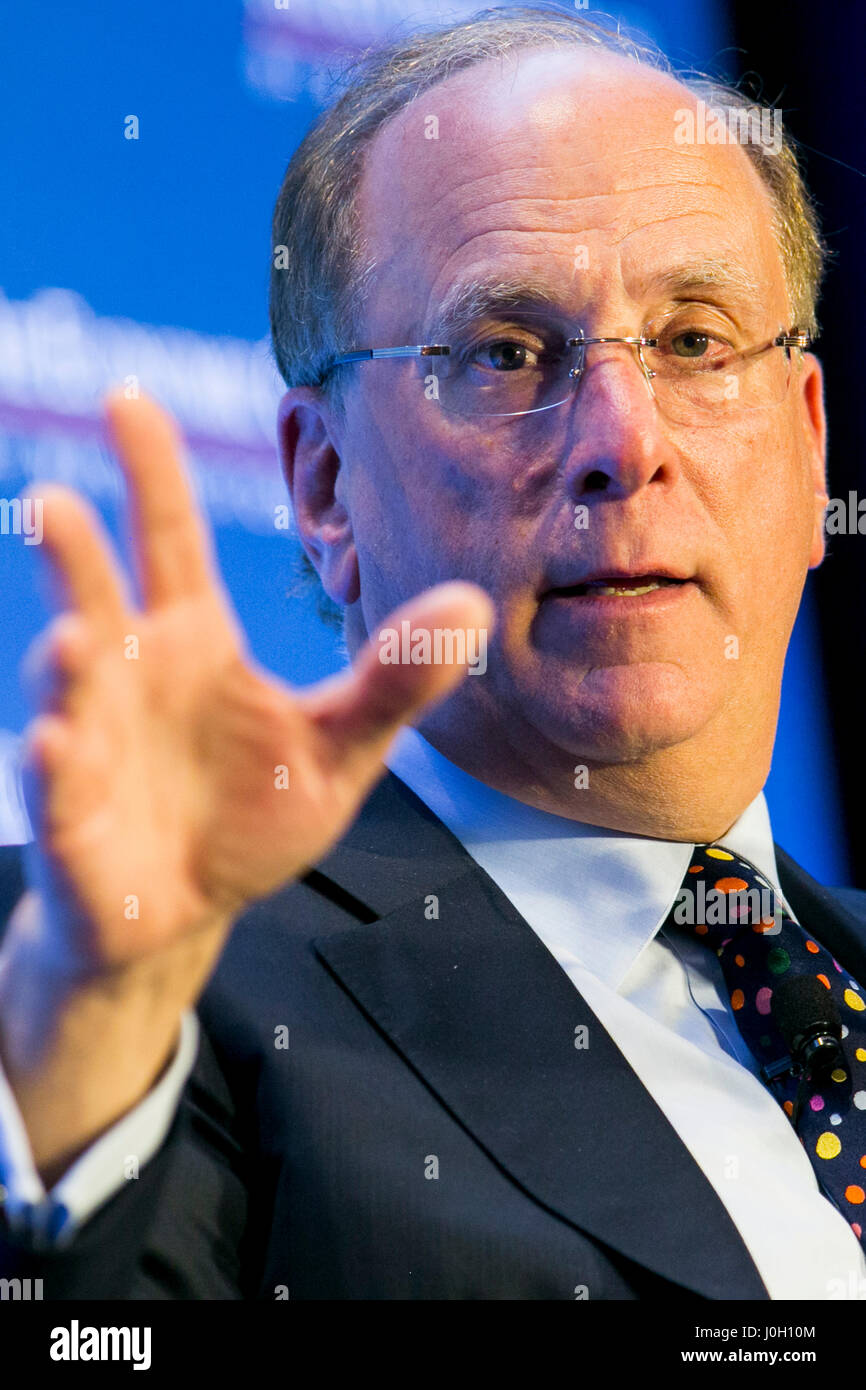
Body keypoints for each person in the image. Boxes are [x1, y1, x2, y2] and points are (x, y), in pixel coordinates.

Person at [0, 7, 862, 1300]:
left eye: (693, 340)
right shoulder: (120, 988)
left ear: (807, 450)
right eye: (508, 352)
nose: (622, 440)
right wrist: (82, 1065)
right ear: (327, 486)